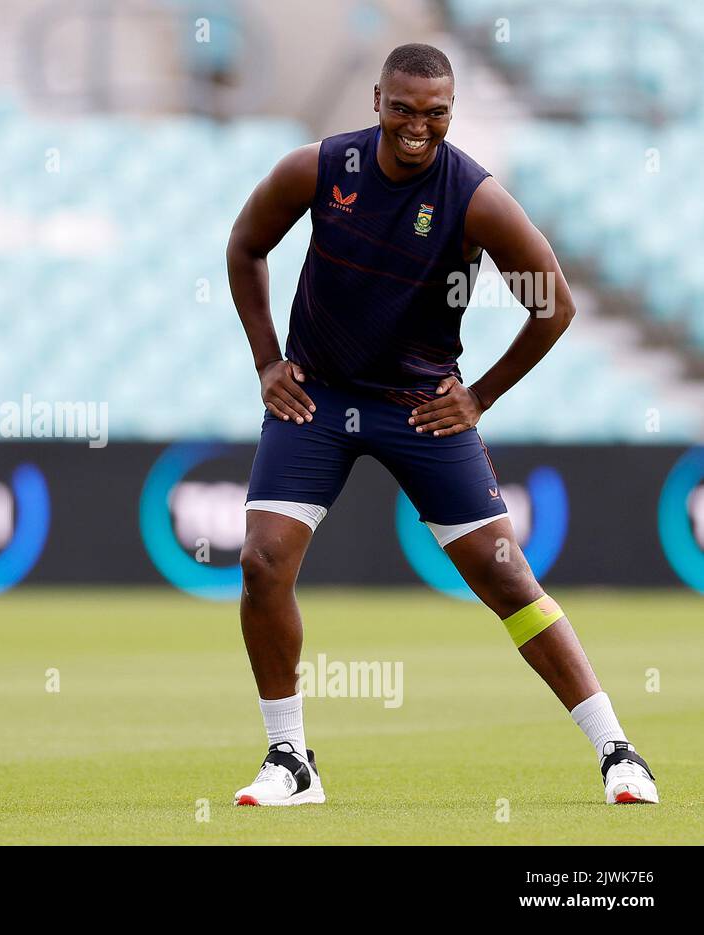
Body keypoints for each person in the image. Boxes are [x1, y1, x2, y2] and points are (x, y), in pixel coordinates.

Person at [224, 43, 657, 807]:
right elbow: (246, 247)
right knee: (262, 562)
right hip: (317, 397)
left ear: (450, 112)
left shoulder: (475, 199)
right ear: (378, 103)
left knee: (503, 573)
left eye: (435, 113)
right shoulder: (318, 170)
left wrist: (480, 396)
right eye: (404, 110)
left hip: (419, 407)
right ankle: (290, 760)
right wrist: (267, 362)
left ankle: (618, 751)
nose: (418, 126)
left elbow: (554, 305)